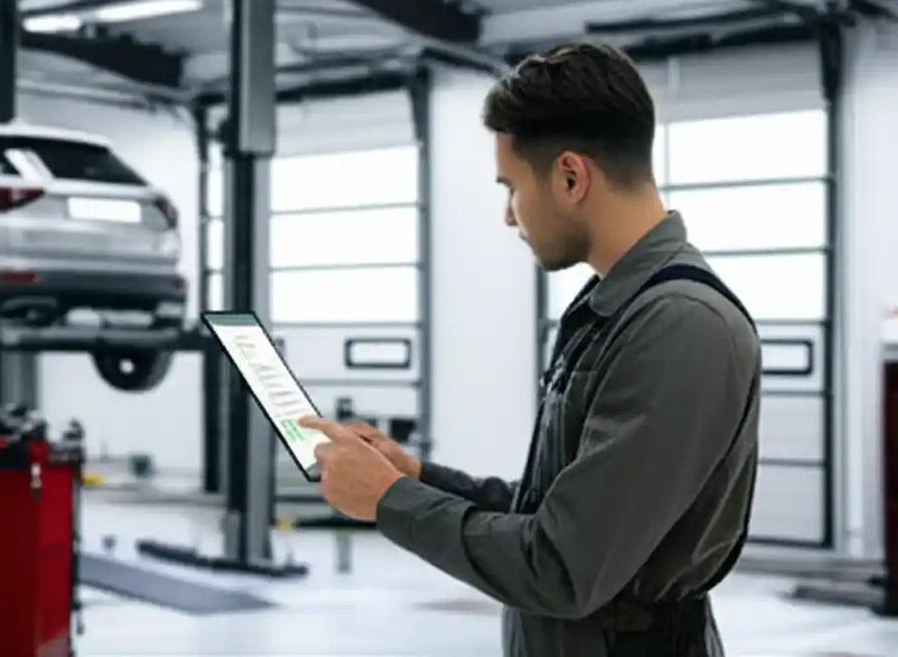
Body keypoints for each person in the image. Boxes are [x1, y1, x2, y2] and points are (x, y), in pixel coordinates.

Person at [300, 42, 763, 656]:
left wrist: (391, 500)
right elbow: (552, 513)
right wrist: (415, 477)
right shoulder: (614, 309)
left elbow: (561, 566)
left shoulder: (680, 327)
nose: (508, 215)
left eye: (511, 187)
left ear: (571, 177)